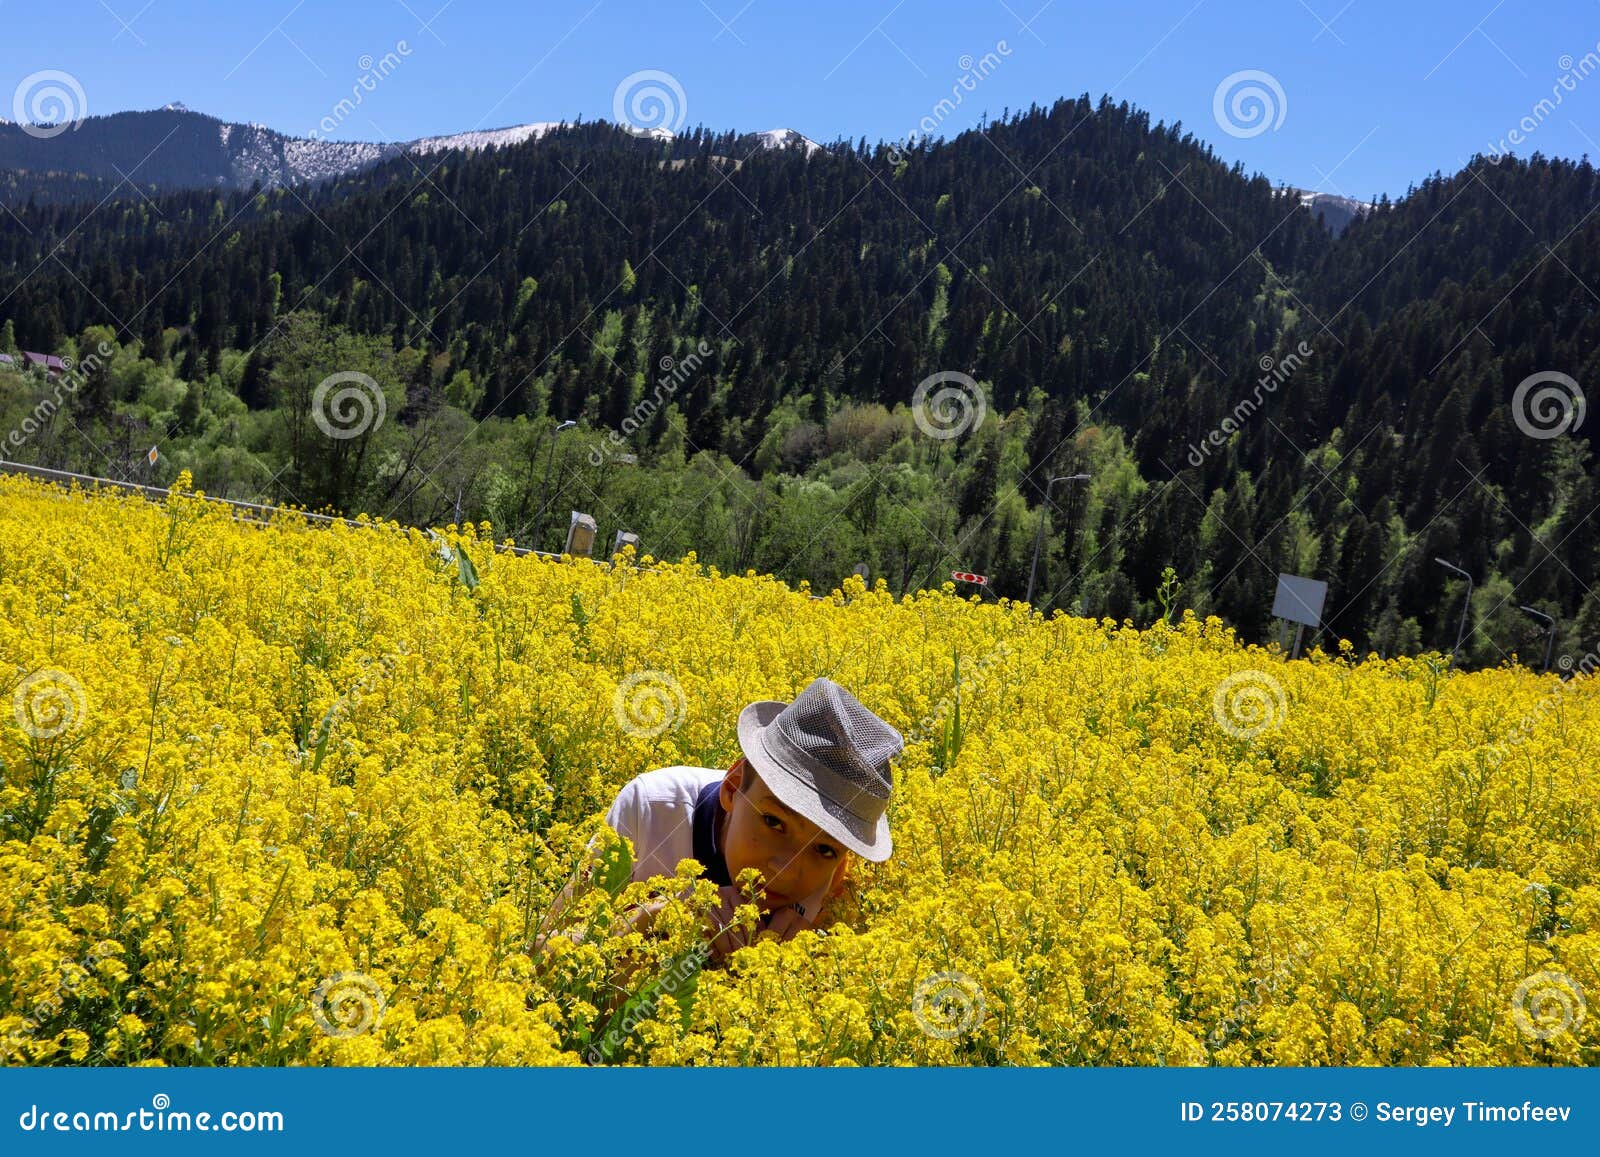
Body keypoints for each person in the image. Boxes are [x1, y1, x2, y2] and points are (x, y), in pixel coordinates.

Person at [544, 676, 903, 962]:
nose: (786, 870)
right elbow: (543, 950)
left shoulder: (836, 874)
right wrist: (658, 916)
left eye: (824, 850)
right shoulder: (651, 810)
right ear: (732, 788)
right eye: (775, 823)